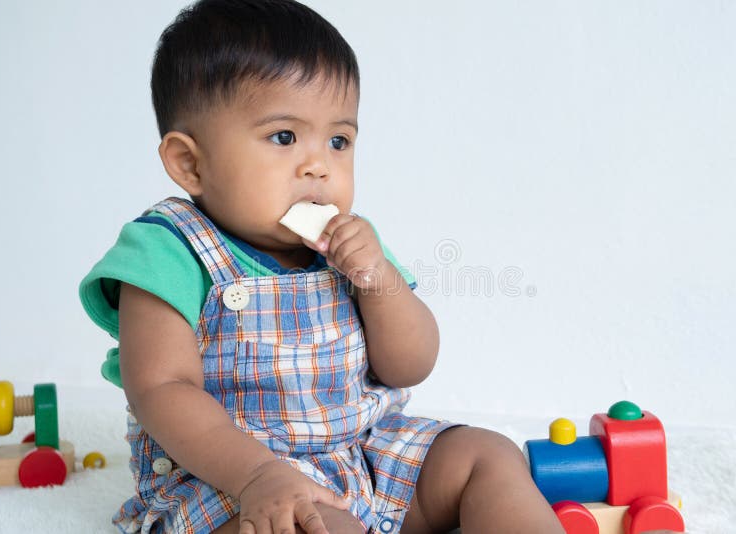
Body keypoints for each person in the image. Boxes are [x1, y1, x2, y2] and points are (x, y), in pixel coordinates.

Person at [79, 1, 564, 533]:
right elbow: (161, 390)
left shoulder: (351, 246)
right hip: (232, 478)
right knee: (320, 527)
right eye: (284, 137)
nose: (319, 165)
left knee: (486, 454)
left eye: (339, 140)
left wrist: (378, 282)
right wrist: (259, 473)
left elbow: (409, 365)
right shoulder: (168, 250)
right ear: (191, 163)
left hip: (364, 453)